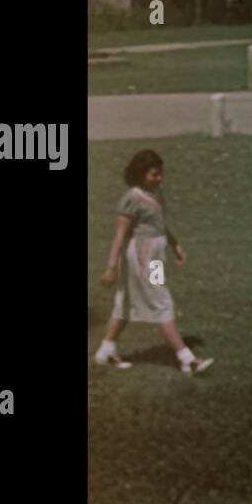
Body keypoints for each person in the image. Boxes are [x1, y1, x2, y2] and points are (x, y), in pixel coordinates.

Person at [94, 149, 214, 375]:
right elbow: (120, 235)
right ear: (140, 174)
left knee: (125, 302)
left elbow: (160, 223)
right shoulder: (132, 199)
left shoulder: (157, 193)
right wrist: (111, 267)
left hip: (156, 256)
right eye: (154, 175)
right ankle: (187, 359)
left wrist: (175, 243)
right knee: (162, 301)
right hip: (142, 258)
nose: (159, 179)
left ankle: (105, 351)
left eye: (161, 174)